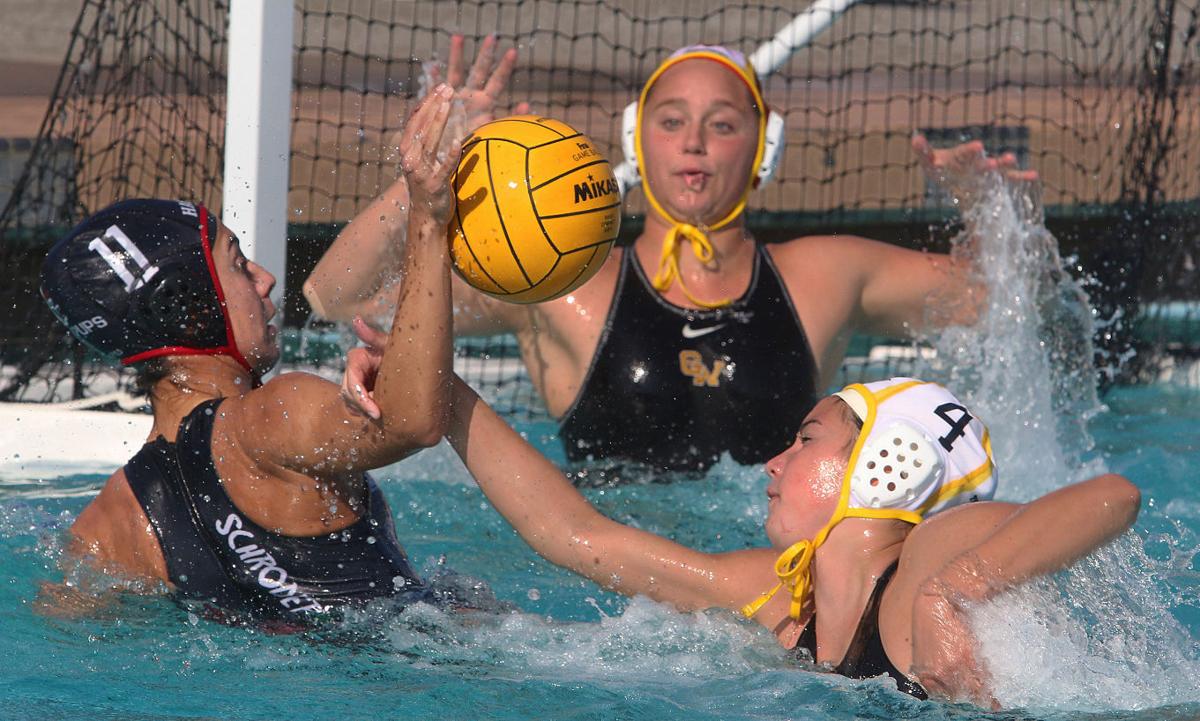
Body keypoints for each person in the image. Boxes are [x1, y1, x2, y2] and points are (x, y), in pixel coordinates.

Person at [303, 42, 1039, 474]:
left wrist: (983, 204)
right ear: (636, 139)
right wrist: (425, 179)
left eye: (722, 124)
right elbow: (338, 298)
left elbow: (997, 300)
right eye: (672, 121)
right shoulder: (560, 286)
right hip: (610, 612)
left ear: (763, 148)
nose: (693, 142)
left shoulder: (823, 275)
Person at [431, 371, 1139, 704]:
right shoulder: (778, 596)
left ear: (892, 462)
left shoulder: (928, 556)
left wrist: (950, 592)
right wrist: (444, 394)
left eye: (806, 438)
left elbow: (1113, 496)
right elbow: (579, 535)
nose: (774, 461)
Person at [37, 84, 462, 620]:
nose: (265, 279)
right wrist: (430, 220)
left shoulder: (109, 523)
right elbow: (414, 423)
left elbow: (64, 636)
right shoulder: (273, 416)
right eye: (237, 263)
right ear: (188, 308)